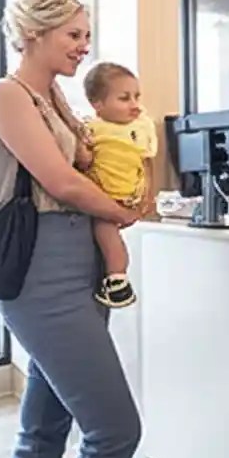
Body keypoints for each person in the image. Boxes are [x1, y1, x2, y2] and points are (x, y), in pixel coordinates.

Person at [0, 0, 142, 458]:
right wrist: (122, 211)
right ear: (34, 34)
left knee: (44, 429)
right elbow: (60, 181)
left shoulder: (59, 102)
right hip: (41, 273)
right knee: (115, 431)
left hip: (80, 267)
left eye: (86, 36)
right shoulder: (9, 95)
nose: (84, 47)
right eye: (74, 35)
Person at [81, 61, 156, 308]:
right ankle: (117, 278)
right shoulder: (91, 128)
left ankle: (117, 279)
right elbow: (81, 159)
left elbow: (146, 163)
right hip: (102, 196)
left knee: (108, 233)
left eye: (136, 97)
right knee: (107, 234)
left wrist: (147, 196)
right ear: (98, 104)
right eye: (124, 98)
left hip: (127, 195)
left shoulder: (141, 127)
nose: (134, 105)